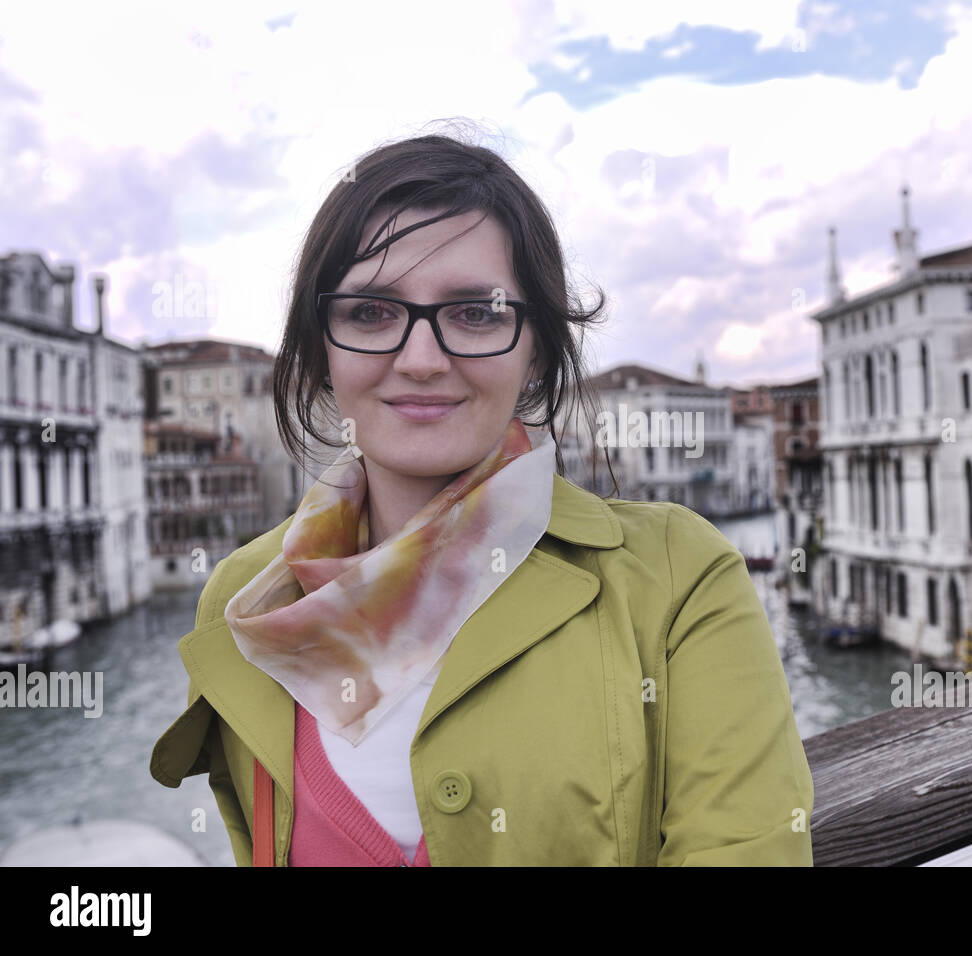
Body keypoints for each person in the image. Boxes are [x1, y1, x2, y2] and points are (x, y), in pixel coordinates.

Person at [149, 127, 814, 866]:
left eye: (476, 313)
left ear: (535, 350)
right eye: (370, 312)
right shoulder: (245, 598)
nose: (422, 359)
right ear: (321, 349)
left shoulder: (678, 577)